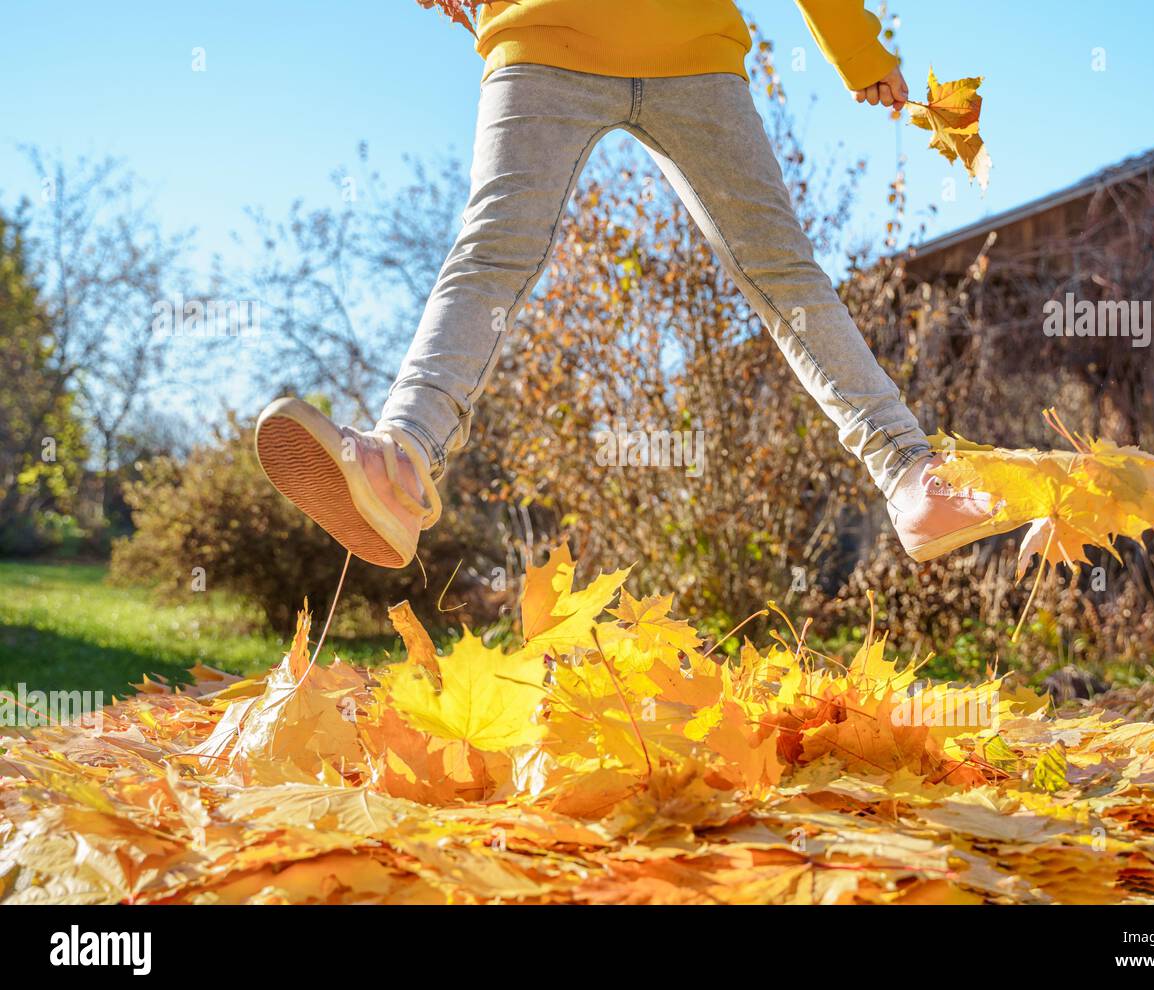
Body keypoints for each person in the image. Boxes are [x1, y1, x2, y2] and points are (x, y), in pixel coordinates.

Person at [255, 0, 1001, 569]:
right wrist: (856, 47)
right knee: (778, 272)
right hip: (585, 33)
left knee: (498, 255)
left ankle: (910, 474)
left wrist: (856, 46)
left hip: (648, 44)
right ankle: (402, 458)